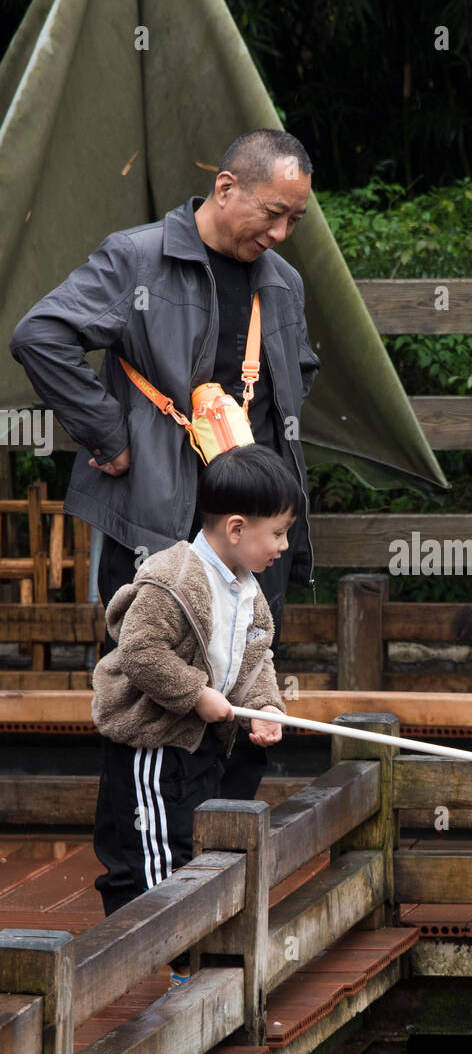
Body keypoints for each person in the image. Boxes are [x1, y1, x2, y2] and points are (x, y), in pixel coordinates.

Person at [8, 127, 320, 805]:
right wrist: (109, 434)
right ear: (226, 187)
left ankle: (224, 853)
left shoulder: (283, 283)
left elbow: (297, 376)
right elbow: (41, 335)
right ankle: (142, 879)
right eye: (273, 214)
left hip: (251, 531)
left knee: (245, 678)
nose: (282, 233)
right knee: (150, 686)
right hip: (155, 516)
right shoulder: (138, 257)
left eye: (295, 219)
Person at [90, 444, 300, 980]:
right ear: (236, 528)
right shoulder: (174, 577)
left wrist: (266, 705)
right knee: (161, 848)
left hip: (203, 741)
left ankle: (189, 951)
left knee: (202, 838)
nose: (284, 545)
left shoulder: (248, 590)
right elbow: (140, 652)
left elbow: (256, 659)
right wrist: (196, 693)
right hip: (153, 742)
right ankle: (178, 962)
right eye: (276, 533)